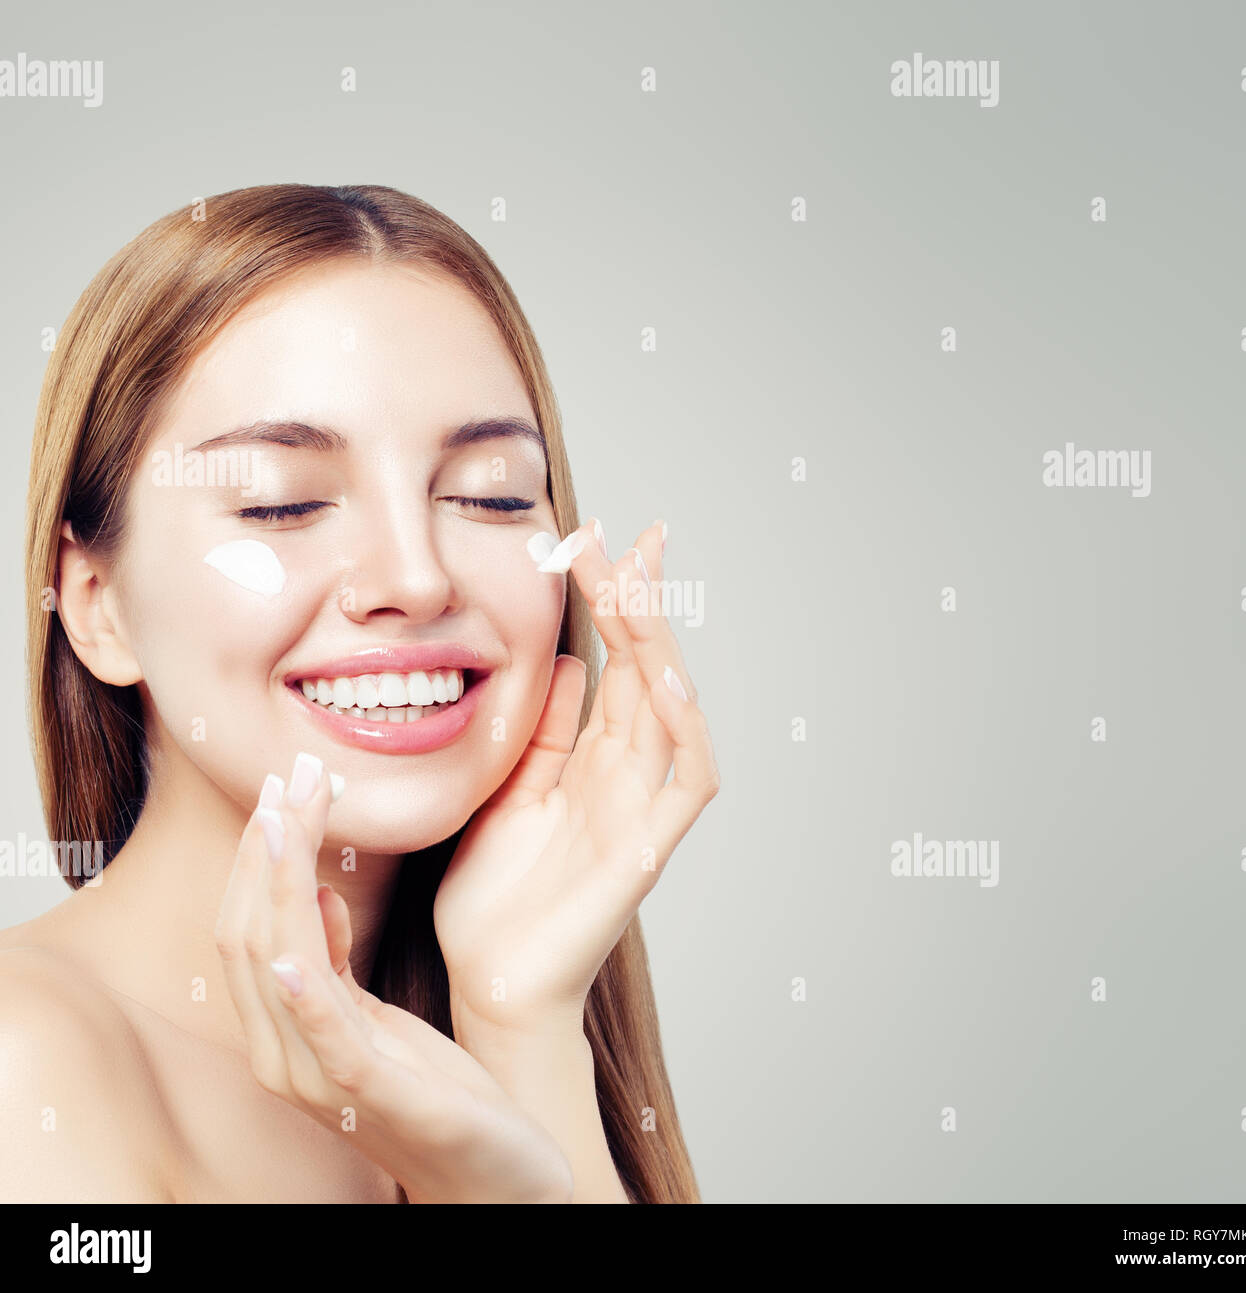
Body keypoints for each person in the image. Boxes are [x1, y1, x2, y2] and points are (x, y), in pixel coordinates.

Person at [0, 185, 719, 1203]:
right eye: (281, 502)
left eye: (490, 493)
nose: (416, 578)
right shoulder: (22, 1072)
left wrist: (521, 1029)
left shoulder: (492, 1014)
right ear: (96, 604)